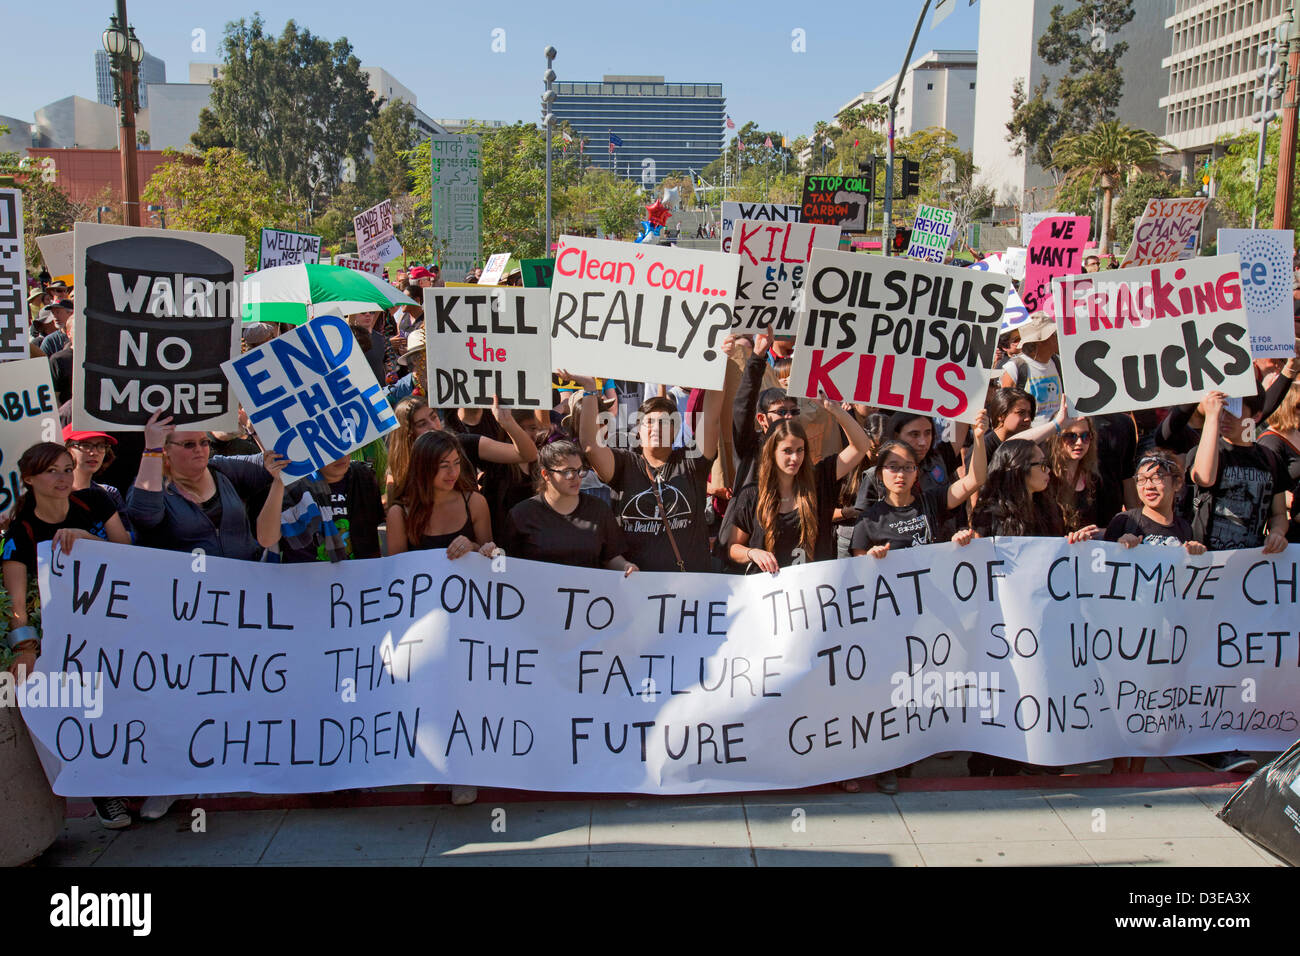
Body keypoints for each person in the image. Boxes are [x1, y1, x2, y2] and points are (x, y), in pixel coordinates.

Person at [1, 442, 133, 830]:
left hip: (115, 619)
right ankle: (103, 793)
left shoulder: (94, 502)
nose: (62, 478)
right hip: (65, 635)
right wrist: (25, 648)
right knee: (84, 710)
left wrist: (88, 540)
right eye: (51, 471)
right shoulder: (21, 531)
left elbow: (129, 553)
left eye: (65, 468)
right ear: (28, 479)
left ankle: (140, 776)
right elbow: (16, 603)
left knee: (127, 700)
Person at [574, 353, 732, 572]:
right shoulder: (623, 465)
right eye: (649, 422)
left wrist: (719, 362)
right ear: (638, 431)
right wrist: (590, 389)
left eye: (665, 422)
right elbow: (590, 444)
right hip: (638, 588)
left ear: (676, 430)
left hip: (691, 587)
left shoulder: (692, 462)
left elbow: (712, 416)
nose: (656, 428)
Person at [728, 402, 873, 571]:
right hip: (770, 592)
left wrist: (833, 408)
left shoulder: (819, 478)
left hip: (816, 589)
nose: (795, 458)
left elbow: (861, 445)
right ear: (771, 453)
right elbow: (733, 547)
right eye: (787, 451)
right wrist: (752, 553)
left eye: (800, 450)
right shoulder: (752, 494)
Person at [126, 411, 268, 561]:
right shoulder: (153, 486)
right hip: (185, 581)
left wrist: (254, 429)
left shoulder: (222, 468)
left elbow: (277, 462)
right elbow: (144, 518)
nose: (199, 449)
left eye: (204, 442)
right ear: (166, 450)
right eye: (188, 444)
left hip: (243, 579)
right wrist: (152, 449)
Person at [852, 409, 990, 558]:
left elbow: (975, 479)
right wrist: (870, 558)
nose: (901, 474)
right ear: (879, 473)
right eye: (893, 467)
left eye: (908, 467)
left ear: (916, 471)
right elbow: (860, 567)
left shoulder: (933, 501)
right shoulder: (867, 520)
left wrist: (979, 436)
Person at [504, 440, 638, 574]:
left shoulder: (599, 510)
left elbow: (611, 557)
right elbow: (507, 564)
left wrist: (625, 566)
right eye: (568, 472)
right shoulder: (522, 514)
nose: (576, 478)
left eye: (580, 471)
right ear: (546, 475)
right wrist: (487, 553)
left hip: (588, 593)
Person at [383, 396, 539, 505]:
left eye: (434, 417)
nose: (433, 425)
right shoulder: (399, 468)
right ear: (408, 434)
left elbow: (527, 454)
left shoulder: (461, 442)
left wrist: (507, 422)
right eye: (422, 424)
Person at [386, 430, 497, 561]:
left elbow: (492, 562)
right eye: (444, 466)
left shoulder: (475, 503)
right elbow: (396, 571)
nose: (453, 472)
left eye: (457, 463)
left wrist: (474, 547)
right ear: (423, 468)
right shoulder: (399, 514)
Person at [256, 453, 384, 562]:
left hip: (358, 583)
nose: (339, 455)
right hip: (305, 584)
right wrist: (279, 481)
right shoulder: (291, 487)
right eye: (329, 448)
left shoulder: (364, 478)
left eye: (343, 444)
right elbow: (266, 539)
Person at [1045, 416, 1119, 537]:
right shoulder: (1044, 476)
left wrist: (1094, 532)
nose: (1079, 442)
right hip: (1054, 552)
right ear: (1055, 438)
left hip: (1087, 552)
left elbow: (1110, 528)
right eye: (1070, 436)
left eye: (1086, 436)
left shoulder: (1096, 479)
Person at [999, 312, 1064, 424]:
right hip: (1029, 437)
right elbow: (1003, 411)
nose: (1057, 337)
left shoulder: (1057, 361)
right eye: (1053, 334)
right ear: (1040, 341)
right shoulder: (1015, 367)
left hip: (1057, 437)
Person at [1257, 379, 1300, 541]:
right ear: (1285, 407)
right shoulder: (1271, 442)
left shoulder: (1297, 432)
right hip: (1289, 522)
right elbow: (1271, 488)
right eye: (1298, 406)